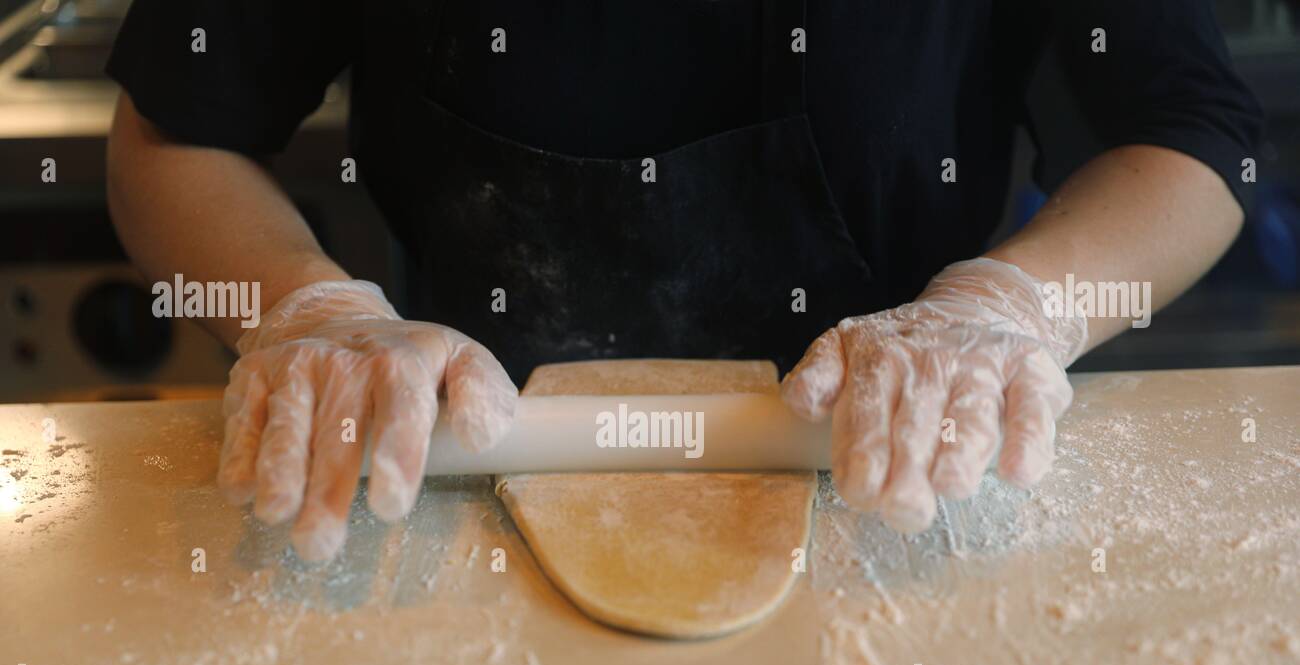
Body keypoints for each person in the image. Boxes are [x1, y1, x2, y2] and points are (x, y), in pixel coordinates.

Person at [105, 1, 1261, 561]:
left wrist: (1006, 310)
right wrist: (305, 309)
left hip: (904, 471)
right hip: (454, 475)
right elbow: (175, 133)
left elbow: (1190, 138)